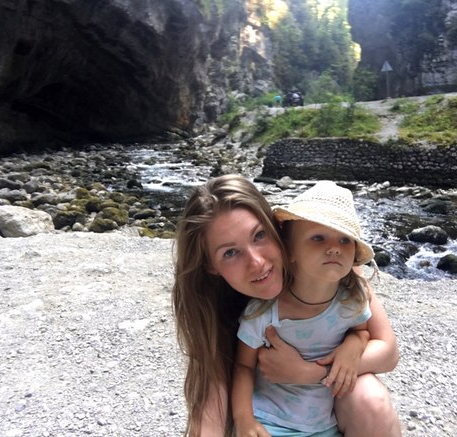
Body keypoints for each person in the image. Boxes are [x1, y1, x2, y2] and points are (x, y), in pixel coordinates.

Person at [172, 175, 401, 437]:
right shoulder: (223, 308)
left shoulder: (339, 279)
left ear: (278, 233)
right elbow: (214, 392)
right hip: (271, 418)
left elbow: (387, 351)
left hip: (325, 414)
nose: (257, 262)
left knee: (370, 397)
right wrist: (242, 420)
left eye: (259, 235)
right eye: (230, 252)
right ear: (210, 266)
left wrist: (318, 367)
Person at [232, 181, 376, 436]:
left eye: (345, 239)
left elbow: (362, 331)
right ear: (289, 251)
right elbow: (243, 366)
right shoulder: (265, 311)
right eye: (318, 238)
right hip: (269, 421)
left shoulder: (351, 301)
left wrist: (353, 345)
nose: (335, 247)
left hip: (325, 425)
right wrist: (243, 419)